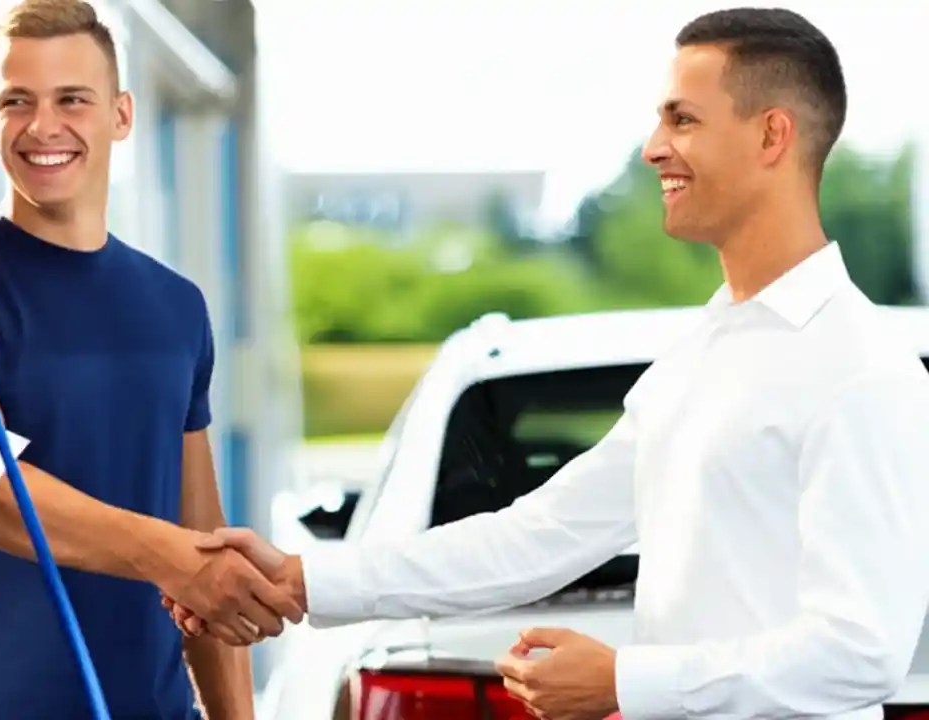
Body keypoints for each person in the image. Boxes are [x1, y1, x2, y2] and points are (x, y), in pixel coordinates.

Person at [170, 8, 929, 720]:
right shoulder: (703, 356)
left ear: (772, 136)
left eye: (682, 119)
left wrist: (625, 679)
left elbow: (861, 648)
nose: (653, 147)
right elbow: (541, 535)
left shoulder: (861, 367)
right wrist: (302, 579)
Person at [0, 2, 302, 719]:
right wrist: (171, 557)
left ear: (121, 115)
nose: (44, 126)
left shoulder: (177, 307)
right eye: (17, 102)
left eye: (72, 99)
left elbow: (203, 542)